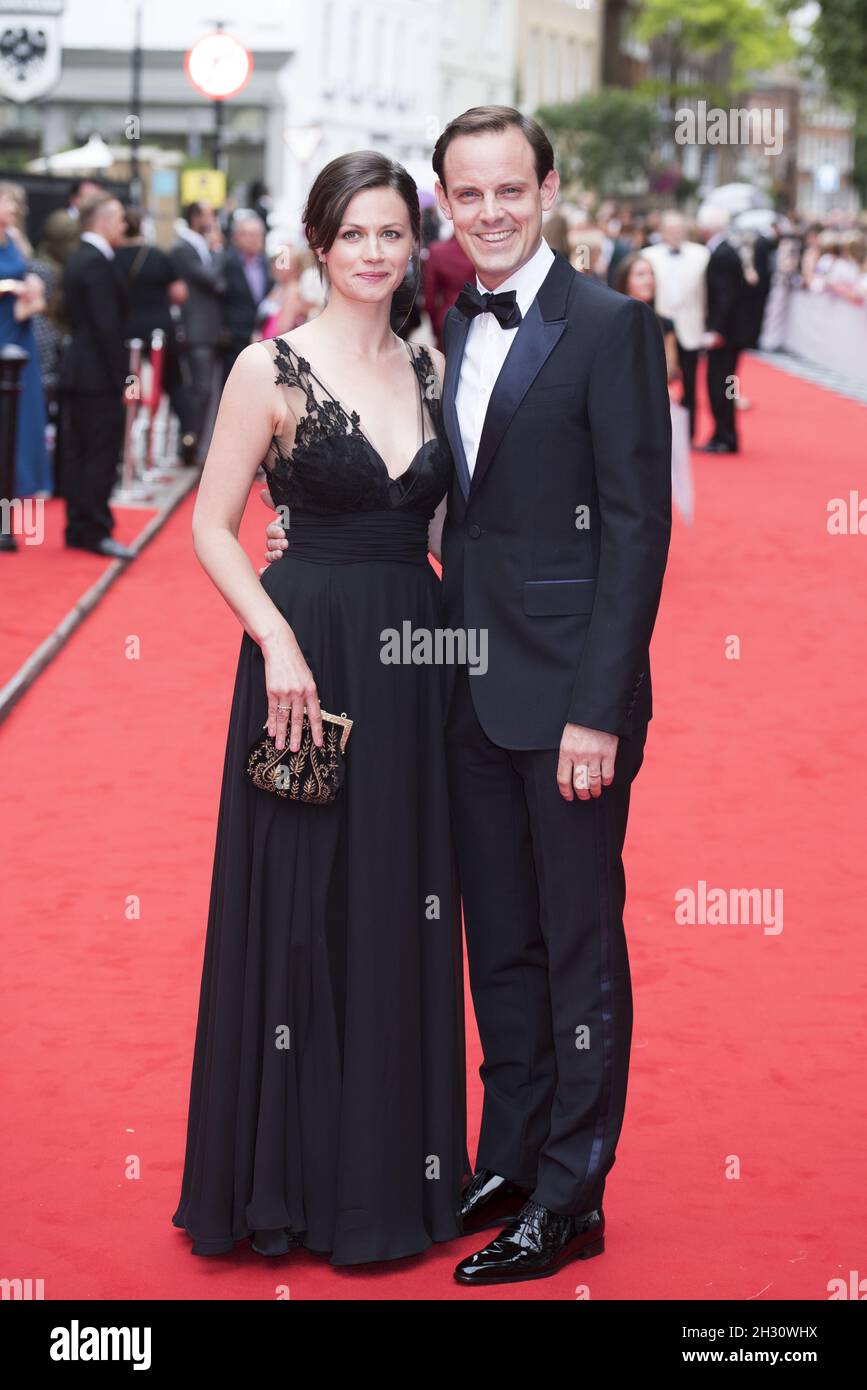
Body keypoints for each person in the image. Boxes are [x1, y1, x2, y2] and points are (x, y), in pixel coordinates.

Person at [266, 106, 672, 1284]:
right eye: (468, 194)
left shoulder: (610, 326)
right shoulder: (442, 321)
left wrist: (597, 708)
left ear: (549, 188)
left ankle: (573, 1192)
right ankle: (512, 1151)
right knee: (498, 938)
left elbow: (636, 535)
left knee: (578, 945)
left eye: (510, 189)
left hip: (571, 705)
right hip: (463, 691)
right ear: (447, 200)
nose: (490, 212)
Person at [171, 150, 470, 1264]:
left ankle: (393, 1179)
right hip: (303, 658)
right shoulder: (269, 368)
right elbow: (210, 526)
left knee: (402, 899)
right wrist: (275, 637)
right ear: (319, 243)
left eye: (393, 234)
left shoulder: (434, 366)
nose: (376, 254)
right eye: (355, 235)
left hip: (416, 657)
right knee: (299, 905)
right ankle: (282, 1185)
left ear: (411, 247)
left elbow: (446, 535)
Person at [57, 193, 134, 558]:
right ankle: (95, 530)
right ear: (103, 222)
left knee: (78, 451)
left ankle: (78, 527)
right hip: (97, 375)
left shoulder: (77, 259)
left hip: (79, 370)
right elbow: (107, 328)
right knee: (99, 453)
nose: (123, 226)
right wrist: (124, 379)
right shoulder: (97, 264)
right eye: (119, 219)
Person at [0, 182, 52, 499]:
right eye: (7, 202)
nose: (12, 208)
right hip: (2, 326)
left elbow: (28, 270)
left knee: (27, 403)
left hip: (20, 327)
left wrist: (32, 288)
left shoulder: (15, 239)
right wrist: (10, 287)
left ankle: (25, 478)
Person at [641, 211, 709, 443]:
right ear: (661, 232)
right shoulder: (647, 255)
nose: (675, 235)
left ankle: (688, 434)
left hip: (691, 327)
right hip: (658, 326)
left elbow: (706, 294)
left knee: (690, 383)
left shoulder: (702, 255)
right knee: (656, 381)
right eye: (671, 230)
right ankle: (657, 433)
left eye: (679, 230)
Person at [169, 203, 225, 466]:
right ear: (195, 217)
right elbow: (212, 279)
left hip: (208, 330)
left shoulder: (197, 246)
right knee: (199, 390)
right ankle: (190, 446)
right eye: (208, 214)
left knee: (206, 390)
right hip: (196, 330)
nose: (213, 219)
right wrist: (218, 250)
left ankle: (197, 446)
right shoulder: (183, 249)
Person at [696, 205, 753, 455]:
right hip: (730, 332)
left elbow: (725, 296)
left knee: (720, 385)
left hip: (725, 335)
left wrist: (716, 329)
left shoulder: (722, 253)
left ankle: (725, 436)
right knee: (724, 384)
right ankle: (724, 434)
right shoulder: (724, 250)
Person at [219, 210, 274, 380]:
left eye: (257, 234)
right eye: (247, 234)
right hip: (234, 338)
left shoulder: (269, 264)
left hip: (263, 337)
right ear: (236, 237)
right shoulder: (225, 263)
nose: (253, 239)